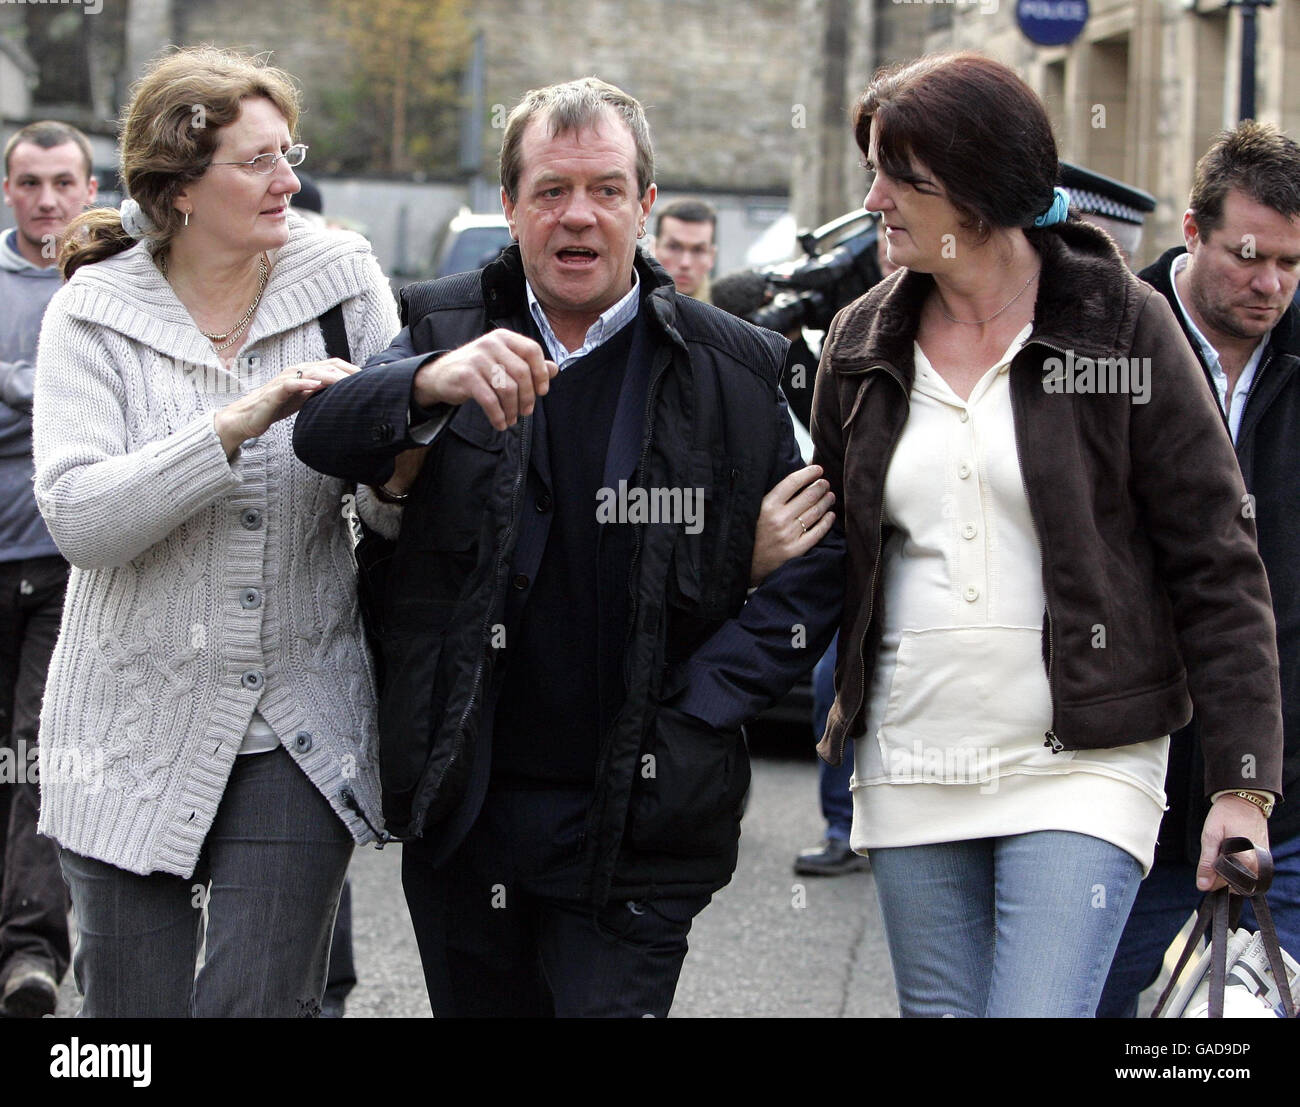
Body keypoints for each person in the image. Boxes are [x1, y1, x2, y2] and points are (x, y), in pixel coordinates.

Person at [293, 76, 843, 1018]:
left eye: (605, 190)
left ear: (645, 205)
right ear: (510, 206)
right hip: (469, 809)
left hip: (643, 811)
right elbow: (322, 436)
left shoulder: (737, 365)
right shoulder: (437, 323)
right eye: (550, 191)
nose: (577, 216)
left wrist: (705, 704)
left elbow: (829, 552)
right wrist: (428, 381)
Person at [811, 52, 1283, 1017]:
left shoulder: (1123, 329)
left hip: (1085, 757)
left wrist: (1242, 782)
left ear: (982, 192)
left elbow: (1216, 557)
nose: (875, 201)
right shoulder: (860, 344)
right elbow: (835, 553)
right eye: (874, 171)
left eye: (902, 178)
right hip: (915, 754)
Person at [31, 46, 398, 1017]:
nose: (290, 180)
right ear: (181, 187)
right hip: (125, 723)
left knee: (260, 1005)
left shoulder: (340, 277)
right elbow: (81, 521)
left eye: (291, 152)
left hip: (297, 712)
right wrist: (232, 425)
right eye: (257, 162)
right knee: (127, 1025)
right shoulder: (91, 314)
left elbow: (390, 504)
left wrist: (403, 473)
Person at [1099, 121, 1300, 1017]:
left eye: (1293, 263)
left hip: (1287, 792)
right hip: (1128, 790)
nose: (1271, 285)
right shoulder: (1103, 340)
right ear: (1191, 230)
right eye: (1248, 256)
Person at [0, 121, 97, 1018]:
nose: (46, 201)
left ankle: (32, 951)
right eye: (29, 182)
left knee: (40, 751)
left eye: (62, 182)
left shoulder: (106, 281)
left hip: (63, 562)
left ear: (89, 186)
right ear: (8, 190)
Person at [652, 198, 717, 301]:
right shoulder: (627, 308)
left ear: (712, 256)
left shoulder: (729, 314)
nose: (685, 263)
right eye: (674, 247)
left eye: (698, 250)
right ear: (654, 248)